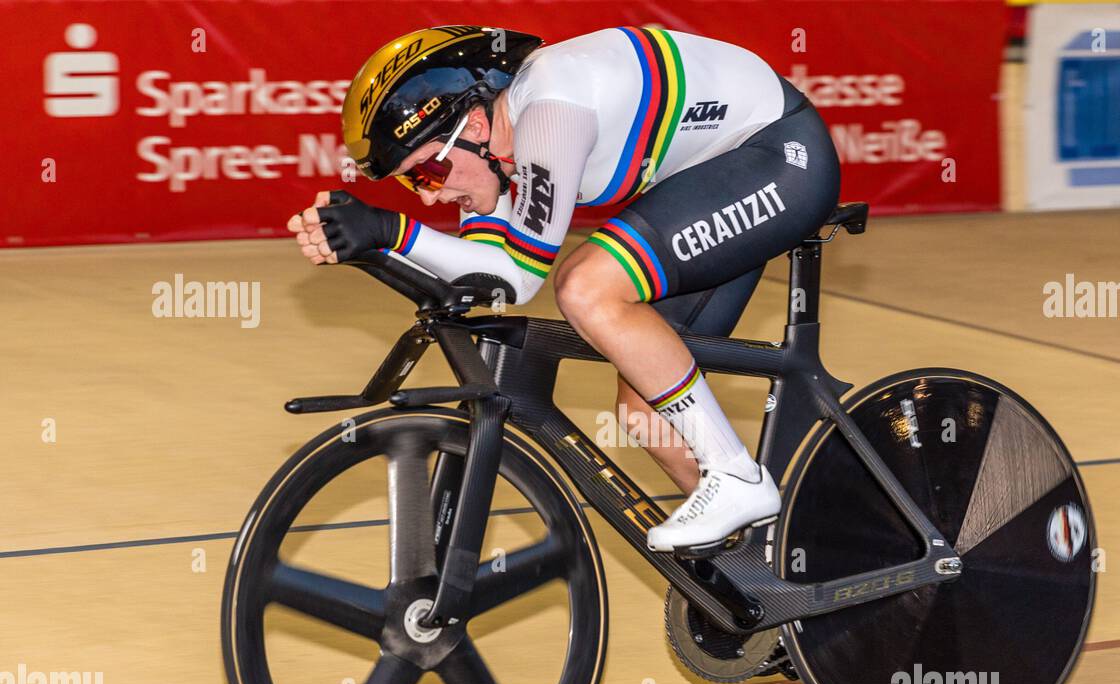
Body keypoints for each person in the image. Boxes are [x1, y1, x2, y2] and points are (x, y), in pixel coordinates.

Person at [288, 24, 841, 552]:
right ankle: (764, 566)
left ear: (475, 129)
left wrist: (391, 230)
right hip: (714, 177)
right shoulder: (501, 154)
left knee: (586, 287)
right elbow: (488, 279)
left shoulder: (552, 108)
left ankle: (736, 476)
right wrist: (365, 245)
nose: (429, 198)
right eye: (412, 184)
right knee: (647, 407)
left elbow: (521, 279)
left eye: (428, 173)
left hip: (779, 157)